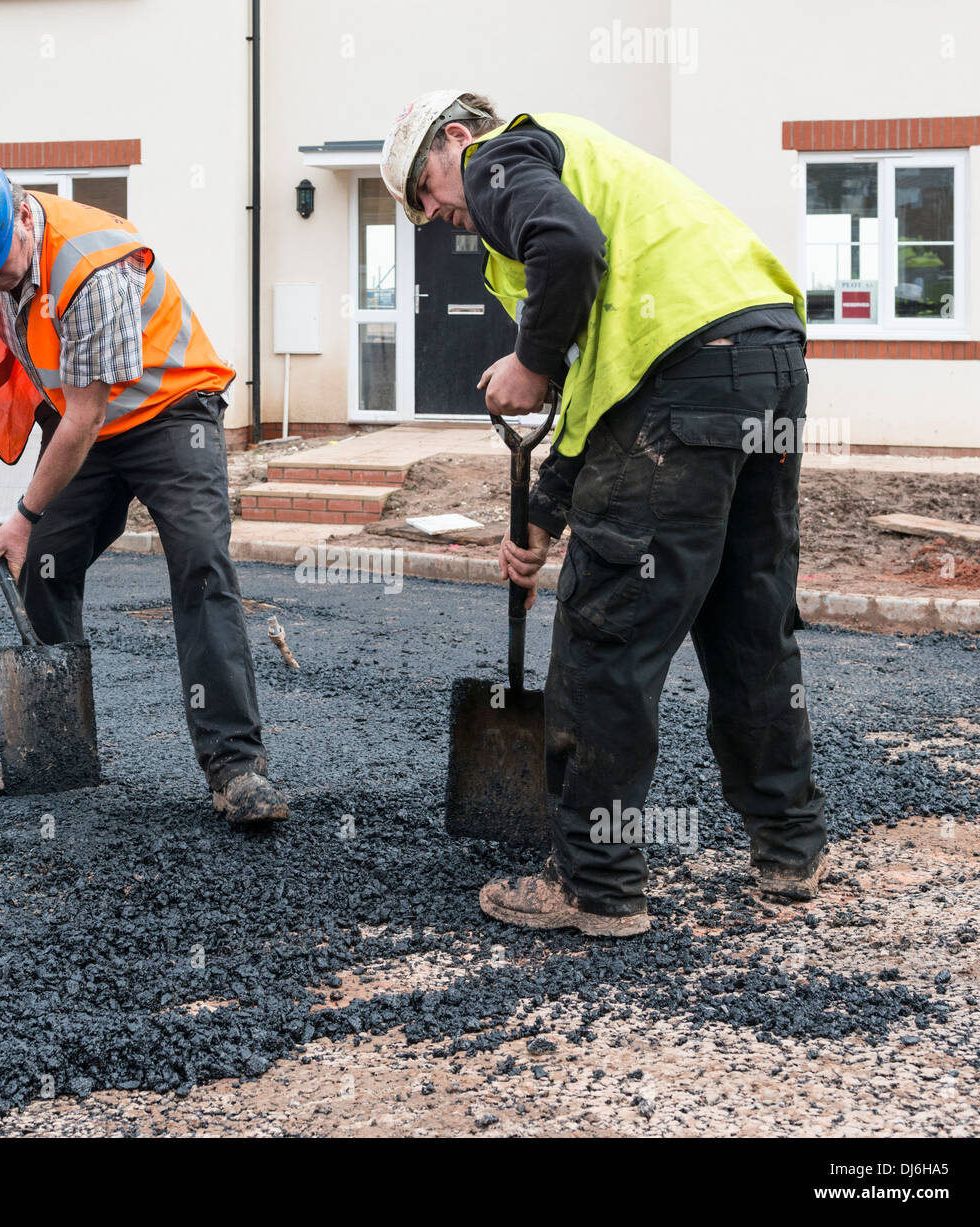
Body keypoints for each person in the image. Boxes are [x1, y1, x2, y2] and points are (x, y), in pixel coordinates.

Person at [381, 92, 827, 936]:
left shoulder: (503, 157)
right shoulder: (595, 185)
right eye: (426, 211)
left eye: (428, 190)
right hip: (764, 356)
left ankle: (596, 883)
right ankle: (790, 844)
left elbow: (570, 251)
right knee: (749, 613)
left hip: (688, 371)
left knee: (605, 631)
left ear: (455, 139)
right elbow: (604, 391)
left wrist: (528, 360)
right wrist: (544, 513)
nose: (441, 214)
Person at [0, 157, 287, 825]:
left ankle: (235, 767)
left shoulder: (92, 268)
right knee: (45, 564)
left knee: (200, 560)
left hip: (169, 409)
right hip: (84, 418)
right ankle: (56, 749)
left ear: (25, 215)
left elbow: (86, 417)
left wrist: (23, 515)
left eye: (1, 267)